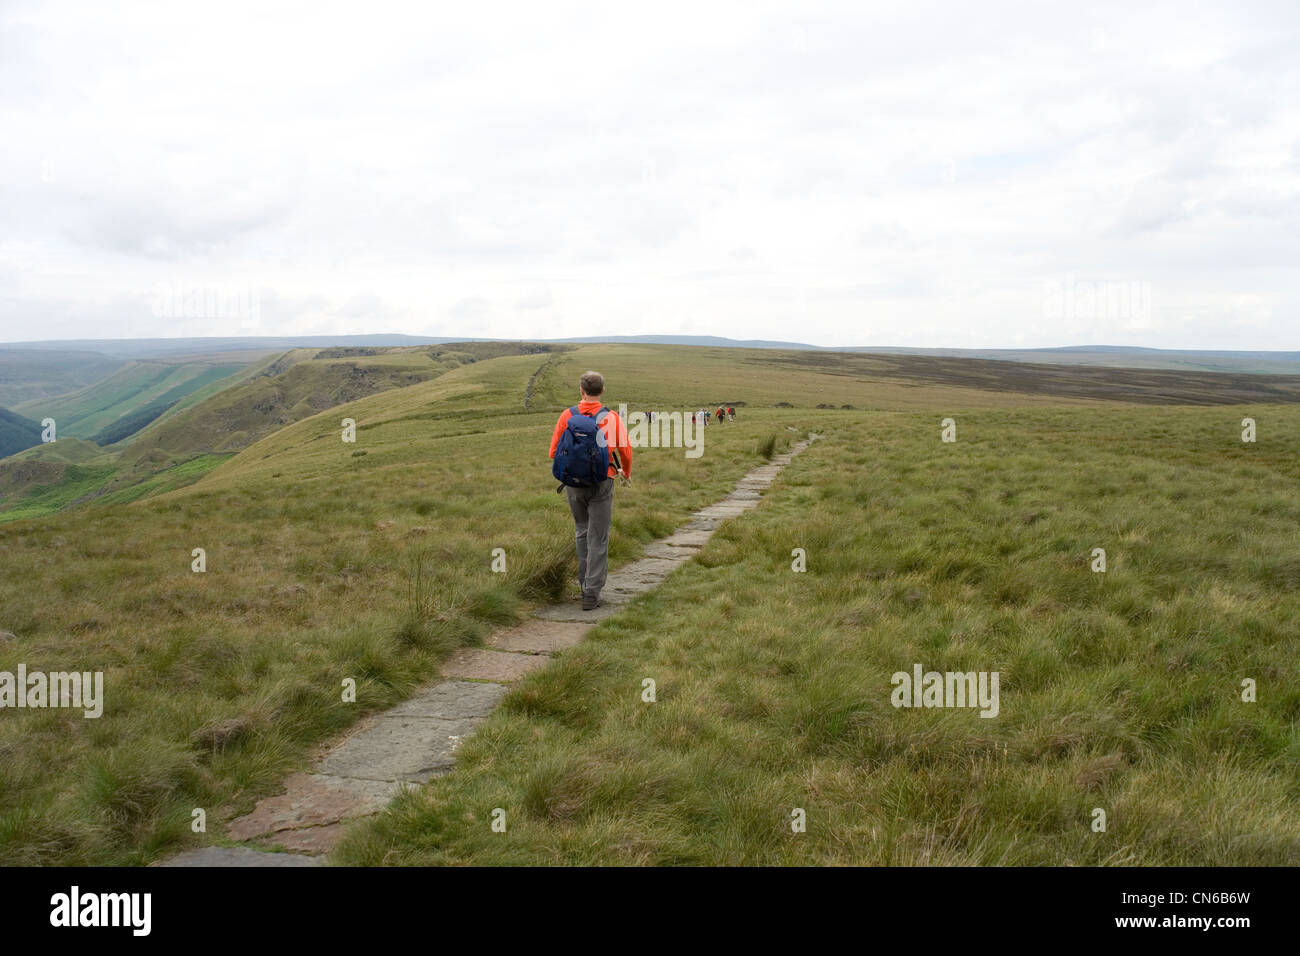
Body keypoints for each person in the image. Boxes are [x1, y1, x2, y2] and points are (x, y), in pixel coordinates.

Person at [548, 371, 633, 611]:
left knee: (581, 531)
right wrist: (625, 472)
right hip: (602, 481)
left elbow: (553, 452)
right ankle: (591, 592)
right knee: (599, 536)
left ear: (581, 390)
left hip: (573, 485)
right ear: (602, 390)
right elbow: (625, 451)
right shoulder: (612, 417)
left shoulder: (567, 415)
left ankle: (583, 584)